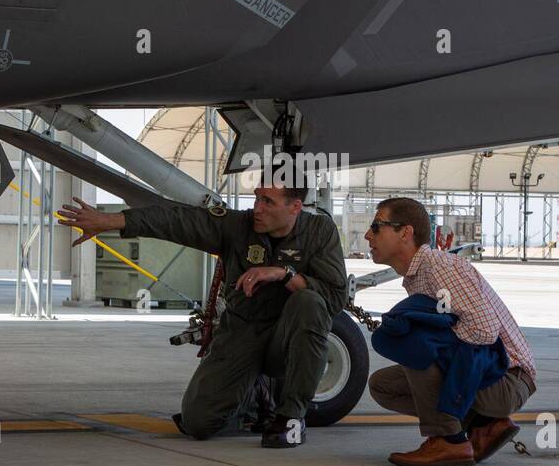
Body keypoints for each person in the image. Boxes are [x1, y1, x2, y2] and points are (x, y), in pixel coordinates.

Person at [58, 187, 348, 449]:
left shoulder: (319, 232)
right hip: (243, 332)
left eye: (268, 202)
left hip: (287, 338)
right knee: (197, 423)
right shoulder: (238, 226)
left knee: (309, 301)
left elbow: (334, 298)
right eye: (257, 198)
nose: (257, 207)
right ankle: (253, 395)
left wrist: (284, 274)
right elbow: (179, 220)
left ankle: (291, 417)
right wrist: (113, 221)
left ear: (295, 207)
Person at [364, 197, 537, 466]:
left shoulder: (437, 267)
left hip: (506, 378)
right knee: (383, 387)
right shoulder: (418, 275)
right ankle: (483, 424)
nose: (367, 235)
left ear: (405, 233)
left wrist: (433, 340)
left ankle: (448, 440)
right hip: (487, 375)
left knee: (417, 345)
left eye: (376, 227)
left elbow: (484, 329)